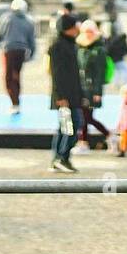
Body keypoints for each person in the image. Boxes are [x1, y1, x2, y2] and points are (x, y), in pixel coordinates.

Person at [47, 13, 84, 174]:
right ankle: (61, 158)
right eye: (75, 25)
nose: (78, 28)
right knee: (69, 125)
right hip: (64, 96)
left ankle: (61, 158)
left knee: (67, 126)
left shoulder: (70, 44)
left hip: (72, 95)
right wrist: (61, 97)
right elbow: (58, 74)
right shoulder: (58, 46)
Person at [74, 18, 111, 153]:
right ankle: (85, 142)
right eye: (86, 31)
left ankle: (89, 141)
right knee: (84, 117)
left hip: (91, 89)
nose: (88, 34)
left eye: (90, 31)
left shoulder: (99, 50)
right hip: (80, 88)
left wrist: (98, 92)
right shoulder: (79, 46)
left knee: (86, 117)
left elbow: (100, 73)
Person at [0, 0, 36, 114]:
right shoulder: (28, 21)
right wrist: (32, 53)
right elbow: (32, 39)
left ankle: (14, 102)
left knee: (9, 77)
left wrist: (0, 45)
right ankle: (16, 100)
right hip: (21, 51)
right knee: (16, 75)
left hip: (9, 50)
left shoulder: (6, 18)